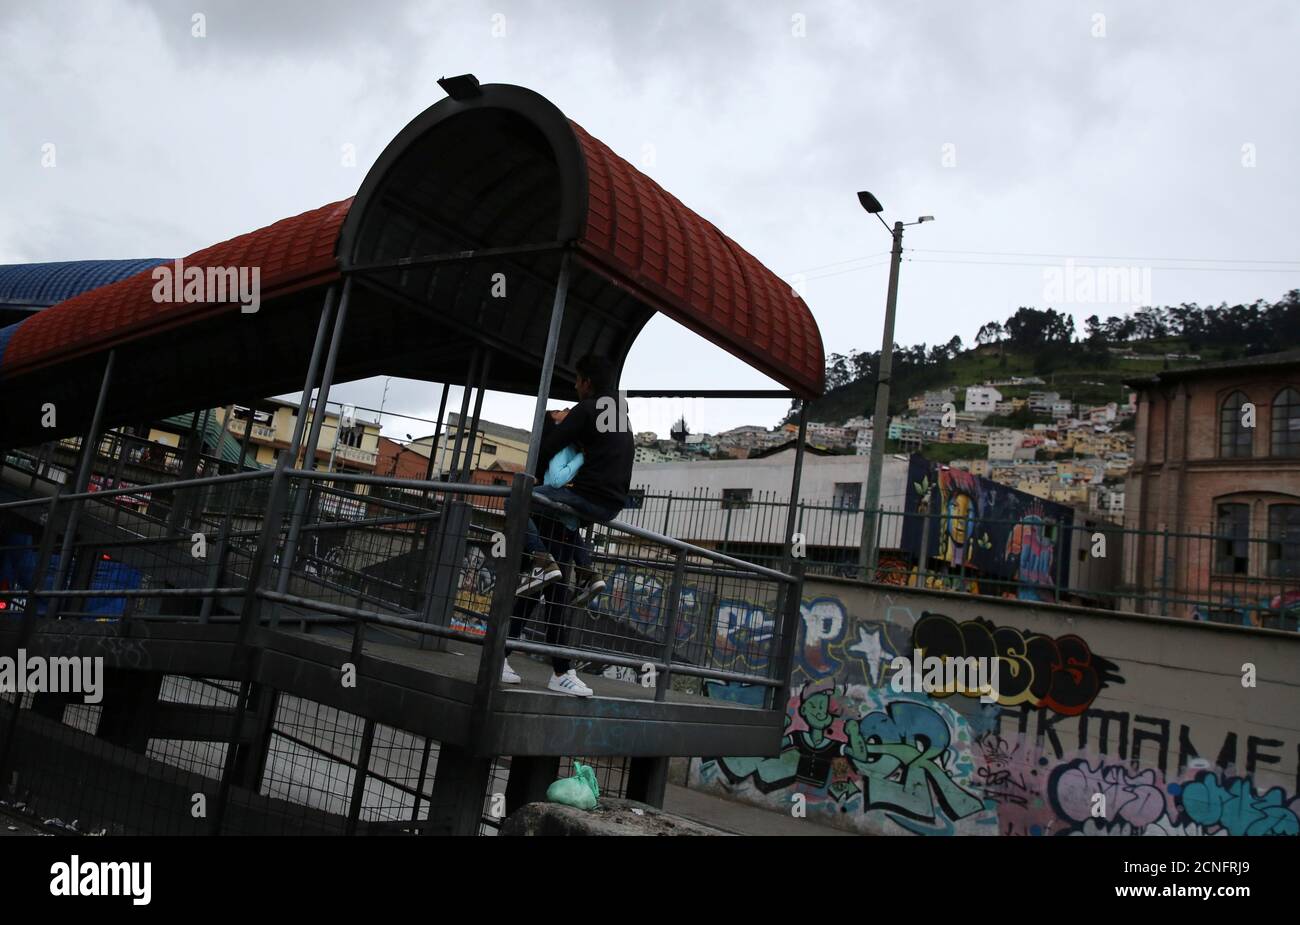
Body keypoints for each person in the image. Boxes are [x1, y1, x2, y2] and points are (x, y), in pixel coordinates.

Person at [503, 355, 634, 696]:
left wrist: (558, 430)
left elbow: (547, 447)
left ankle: (541, 561)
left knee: (515, 499)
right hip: (607, 504)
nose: (575, 388)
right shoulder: (620, 412)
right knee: (545, 591)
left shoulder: (586, 410)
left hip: (579, 500)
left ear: (587, 382)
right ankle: (541, 664)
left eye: (577, 381)